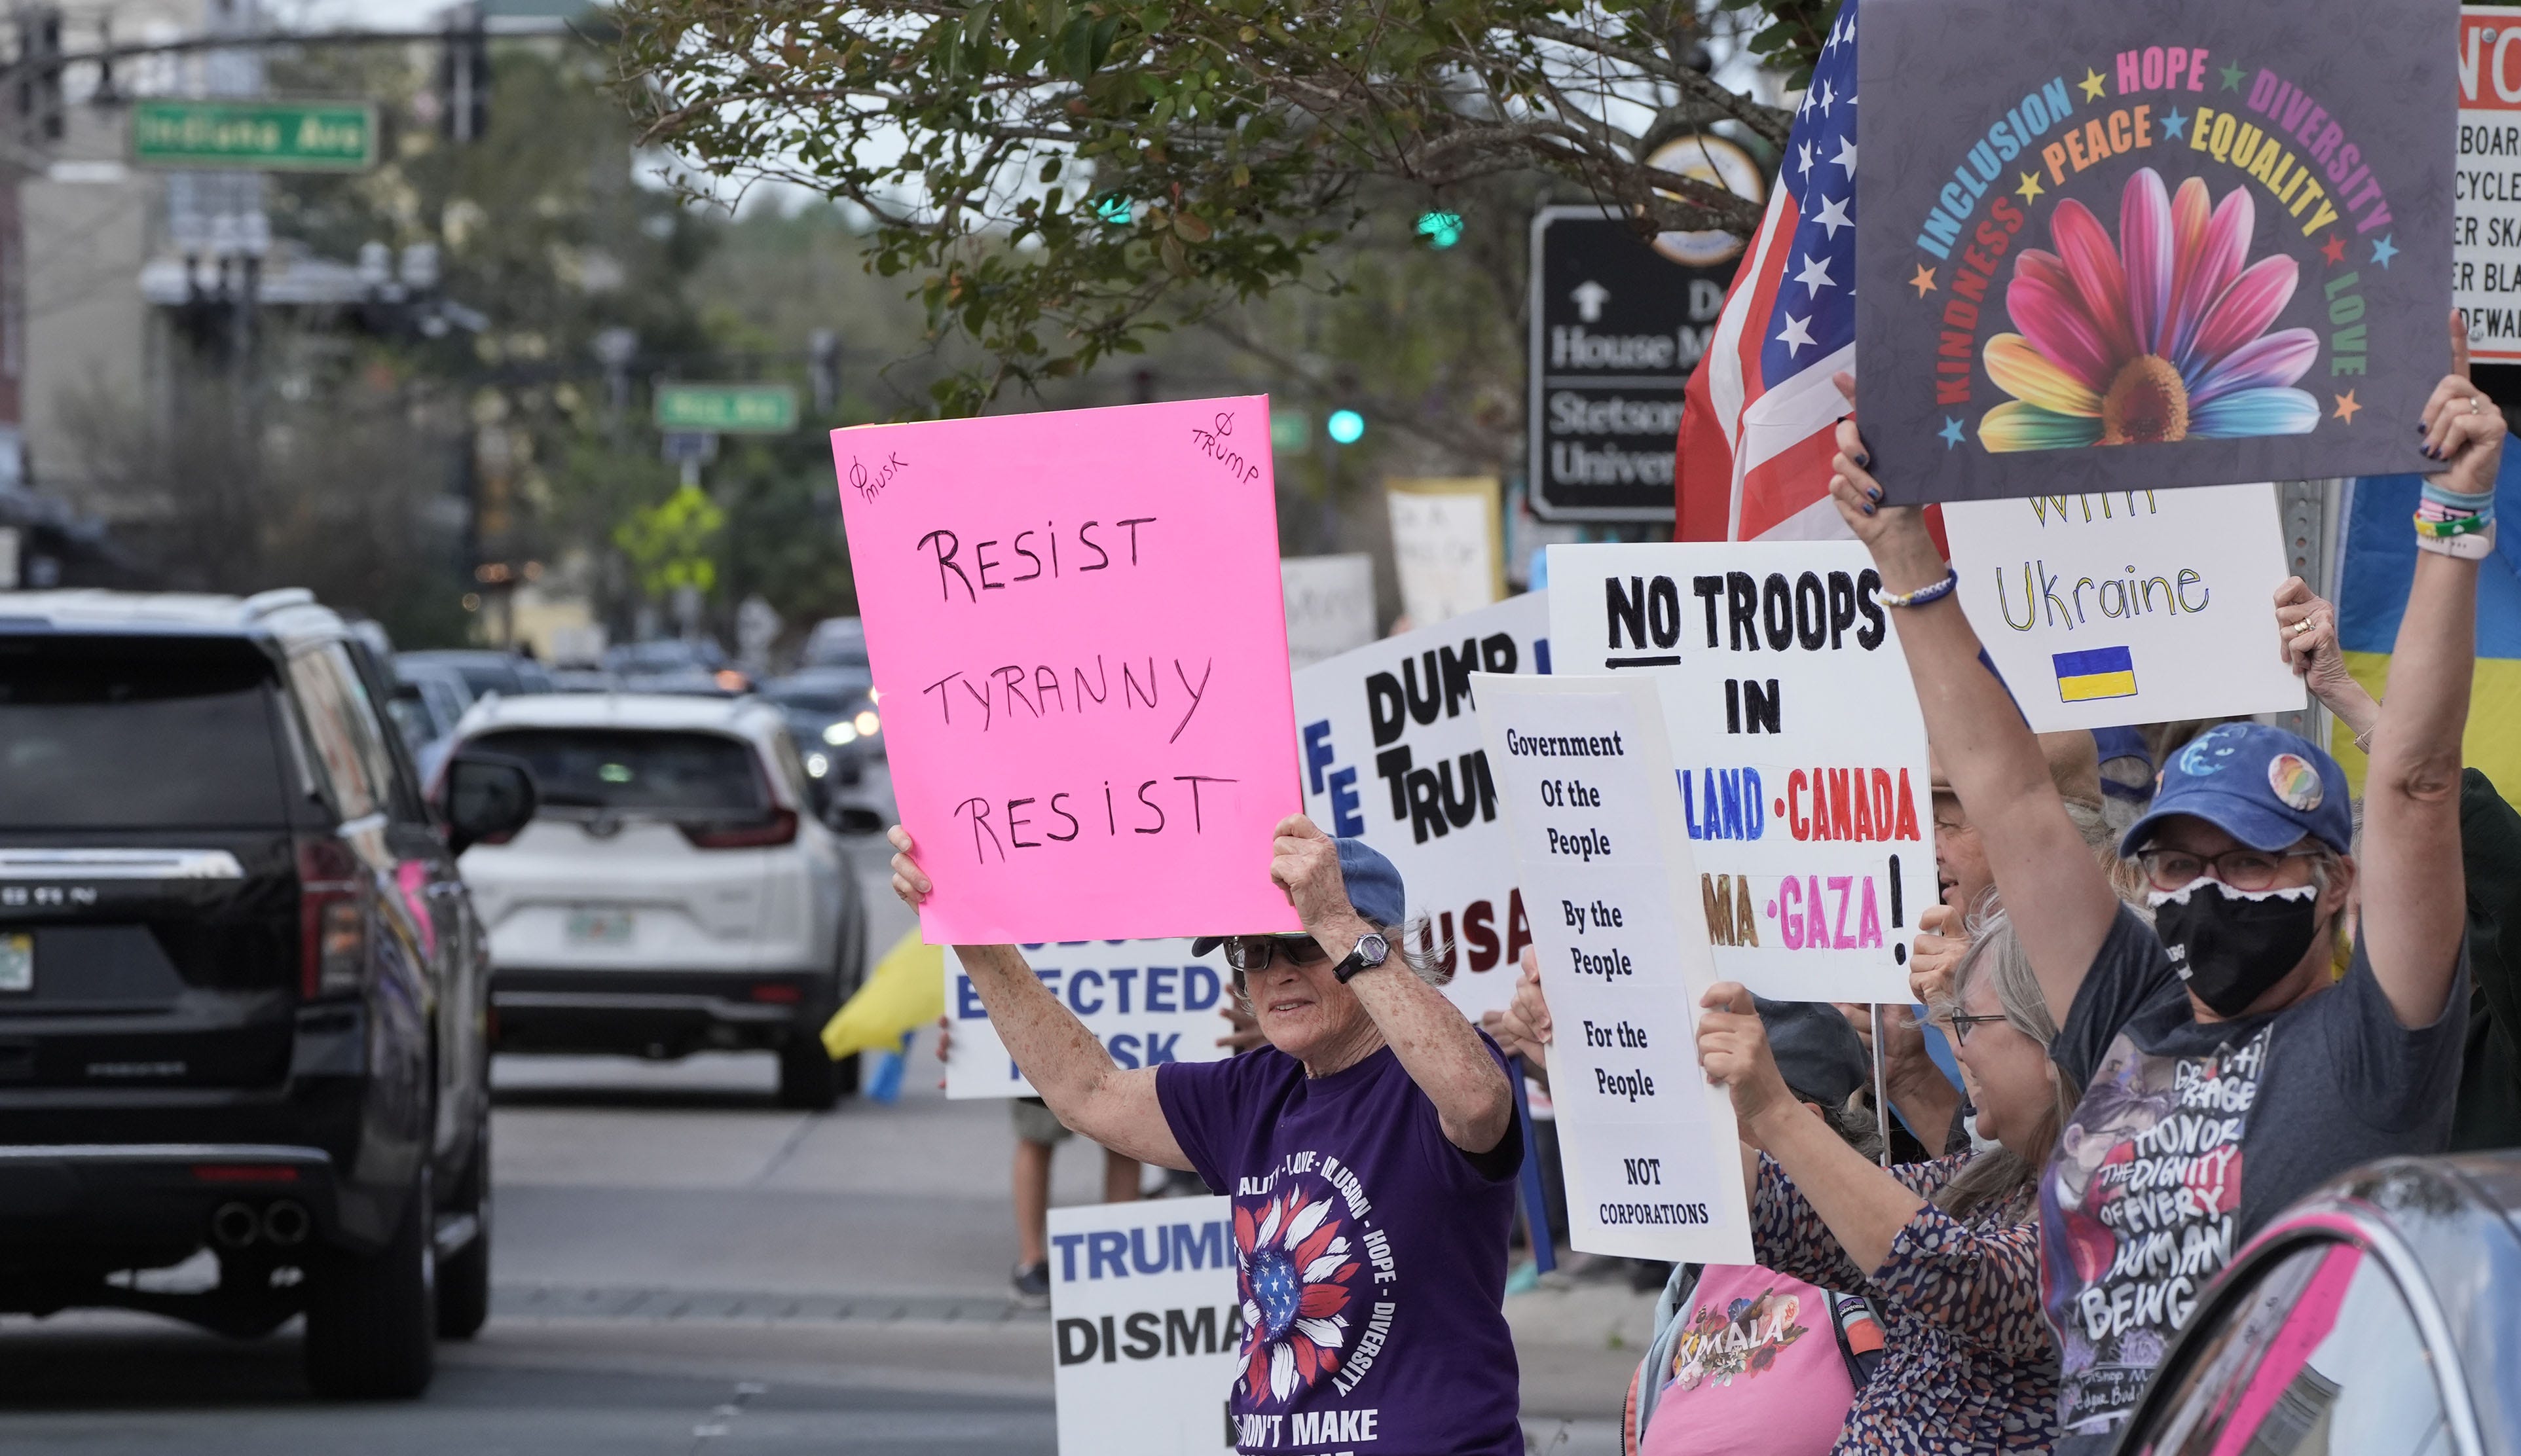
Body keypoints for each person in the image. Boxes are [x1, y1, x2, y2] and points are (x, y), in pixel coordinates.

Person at [1820, 319, 2490, 1451]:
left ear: (2332, 883)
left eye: (2249, 859)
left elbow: (2418, 785)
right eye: (2178, 861)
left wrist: (2454, 517)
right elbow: (2013, 794)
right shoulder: (2135, 1011)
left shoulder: (2375, 1043)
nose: (2206, 887)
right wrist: (1902, 555)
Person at [889, 815, 1526, 1453]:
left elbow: (1475, 1100)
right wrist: (969, 932)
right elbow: (1087, 1094)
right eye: (1253, 952)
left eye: (1300, 944)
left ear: (1373, 940)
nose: (1274, 972)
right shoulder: (1254, 1091)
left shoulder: (1431, 1074)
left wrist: (1332, 921)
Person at [1502, 914, 2069, 1454]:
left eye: (1969, 1024)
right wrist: (1597, 1052)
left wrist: (1773, 1110)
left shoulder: (2097, 1202)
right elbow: (1767, 1203)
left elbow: (1951, 1272)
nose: (1959, 1047)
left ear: (2054, 1042)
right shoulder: (1993, 1181)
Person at [2275, 575, 2521, 1151]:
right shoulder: (2317, 1056)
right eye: (2360, 912)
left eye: (2403, 900)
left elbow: (2511, 880)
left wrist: (2344, 693)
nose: (2374, 938)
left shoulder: (2501, 1047)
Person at [931, 1018, 1145, 1305]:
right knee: (1039, 1135)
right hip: (1042, 1019)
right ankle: (1034, 1260)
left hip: (1052, 1014)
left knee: (1123, 1137)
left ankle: (1121, 1253)